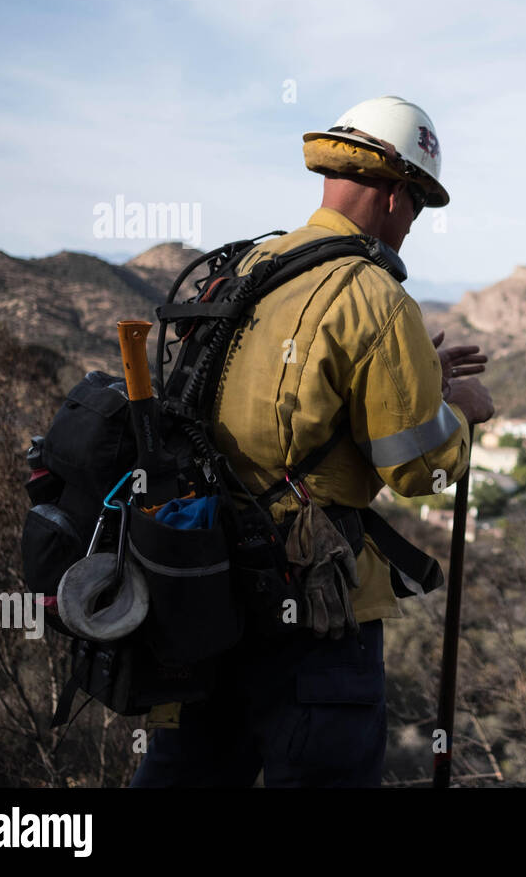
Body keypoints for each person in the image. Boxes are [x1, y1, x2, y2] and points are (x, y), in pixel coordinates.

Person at [131, 95, 493, 787]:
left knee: (188, 773)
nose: (413, 224)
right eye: (418, 205)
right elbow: (420, 469)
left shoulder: (252, 264)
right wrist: (462, 412)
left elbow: (269, 403)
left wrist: (422, 382)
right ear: (395, 194)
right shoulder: (376, 297)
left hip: (203, 586)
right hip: (314, 613)